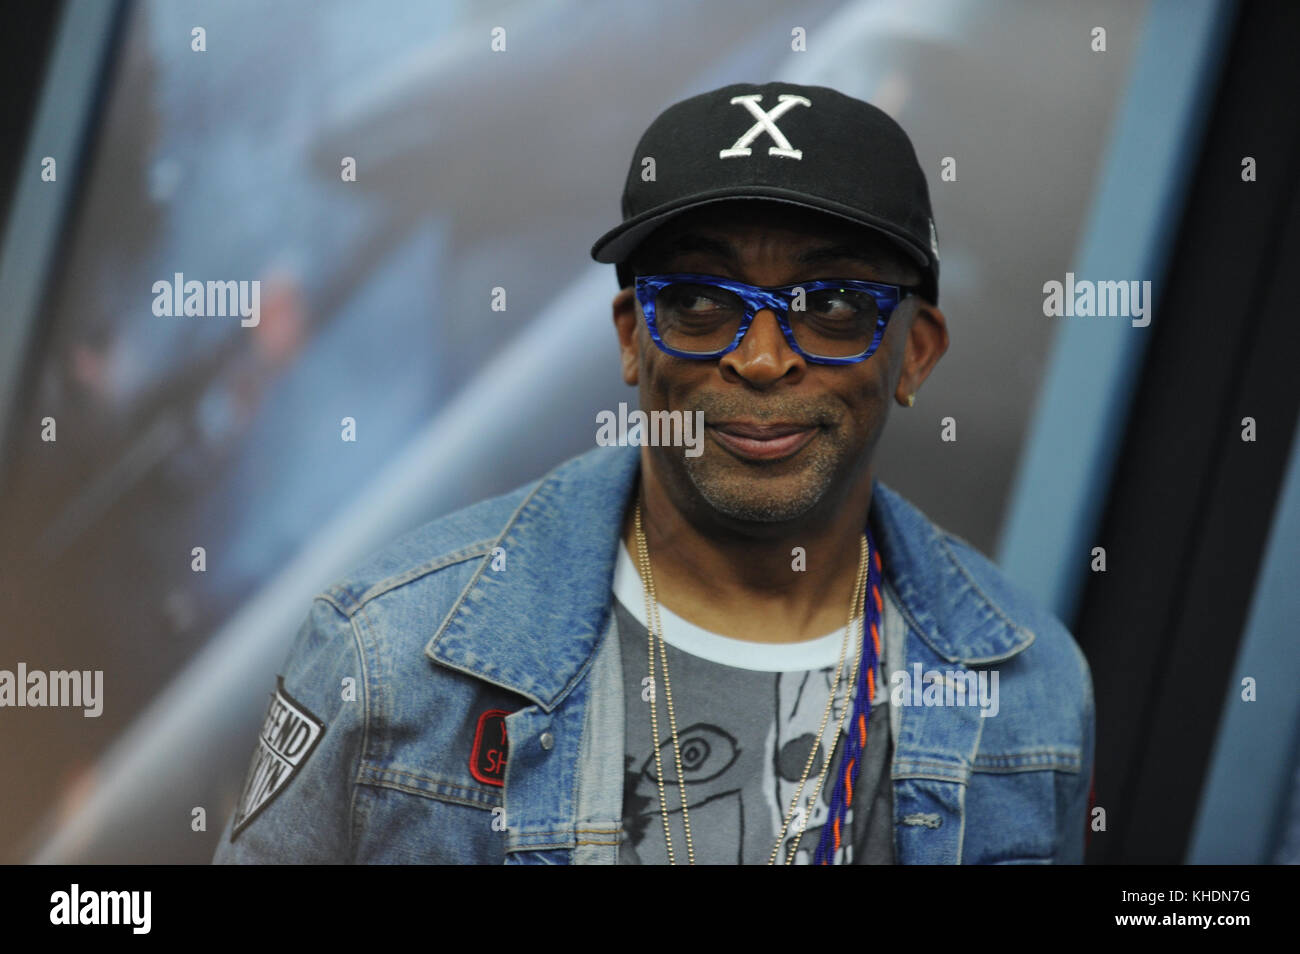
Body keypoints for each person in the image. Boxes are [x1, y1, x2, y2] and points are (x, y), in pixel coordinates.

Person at [213, 81, 1094, 865]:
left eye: (830, 306)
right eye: (701, 302)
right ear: (633, 337)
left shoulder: (1028, 686)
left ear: (917, 356)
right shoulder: (392, 654)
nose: (759, 359)